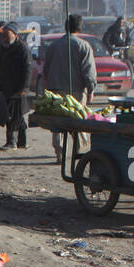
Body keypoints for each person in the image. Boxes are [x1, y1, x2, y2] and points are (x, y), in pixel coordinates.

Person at [43, 14, 98, 164]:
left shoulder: (53, 46)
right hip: (77, 92)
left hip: (56, 90)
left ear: (65, 27)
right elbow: (89, 71)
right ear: (79, 28)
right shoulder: (84, 46)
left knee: (57, 123)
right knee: (77, 123)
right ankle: (78, 152)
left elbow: (45, 69)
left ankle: (59, 154)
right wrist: (91, 89)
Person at [0, 24, 31, 149]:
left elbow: (27, 69)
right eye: (3, 34)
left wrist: (24, 88)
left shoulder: (22, 48)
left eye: (7, 34)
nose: (4, 36)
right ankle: (22, 142)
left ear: (15, 34)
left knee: (13, 116)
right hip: (3, 87)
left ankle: (12, 142)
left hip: (17, 88)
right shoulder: (1, 48)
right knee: (14, 115)